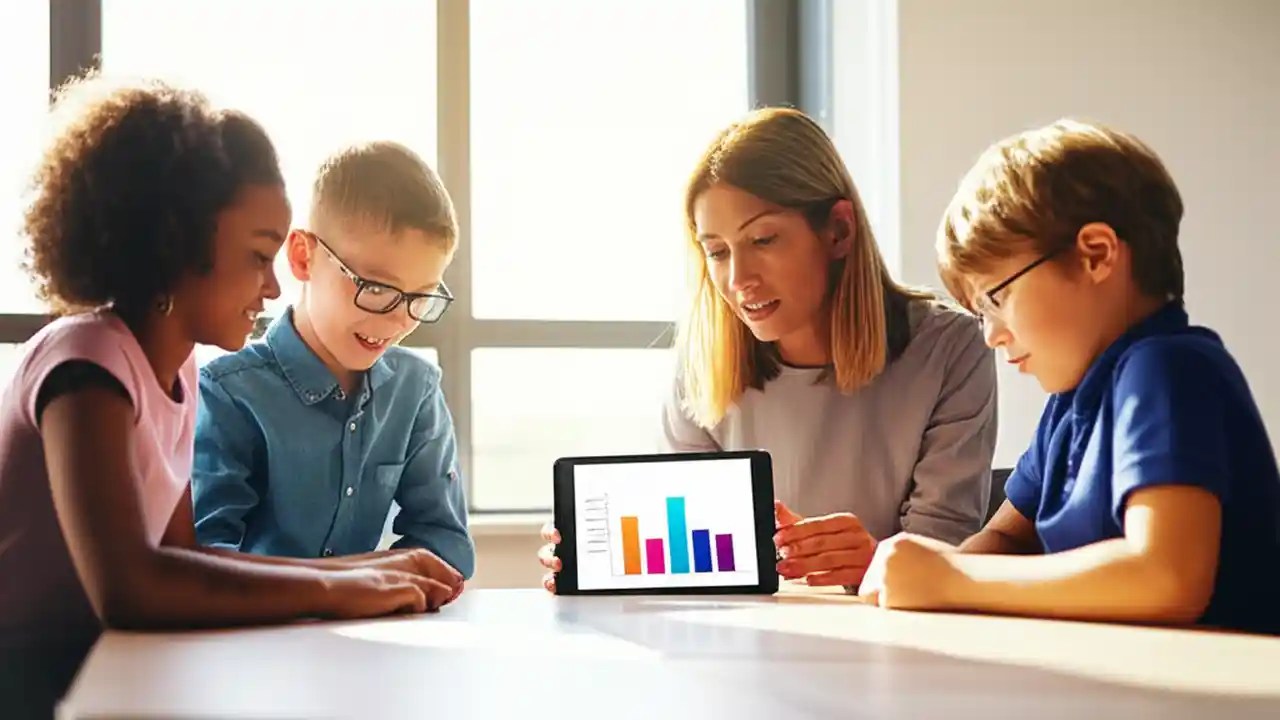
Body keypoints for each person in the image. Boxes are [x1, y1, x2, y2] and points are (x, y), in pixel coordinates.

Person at [0, 75, 458, 715]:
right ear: (176, 244)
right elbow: (130, 586)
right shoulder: (86, 363)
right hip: (32, 687)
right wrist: (337, 591)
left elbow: (187, 559)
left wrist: (351, 573)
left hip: (107, 676)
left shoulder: (179, 373)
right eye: (256, 255)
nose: (272, 289)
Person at [539, 107, 997, 592]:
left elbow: (943, 549)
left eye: (763, 239)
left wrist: (878, 565)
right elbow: (689, 561)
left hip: (896, 639)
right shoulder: (701, 369)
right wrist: (607, 563)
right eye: (716, 251)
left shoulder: (953, 349)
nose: (739, 280)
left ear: (838, 231)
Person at [860, 119, 1280, 635]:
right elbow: (1006, 541)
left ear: (1096, 254)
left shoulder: (1167, 369)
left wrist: (952, 579)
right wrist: (929, 588)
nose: (991, 334)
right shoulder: (1072, 400)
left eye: (997, 298)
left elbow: (1166, 578)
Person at [191, 141, 474, 580]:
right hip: (254, 641)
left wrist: (362, 583)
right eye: (377, 287)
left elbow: (448, 546)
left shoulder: (415, 391)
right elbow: (207, 560)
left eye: (421, 297)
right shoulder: (229, 393)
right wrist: (357, 582)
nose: (400, 319)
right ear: (304, 257)